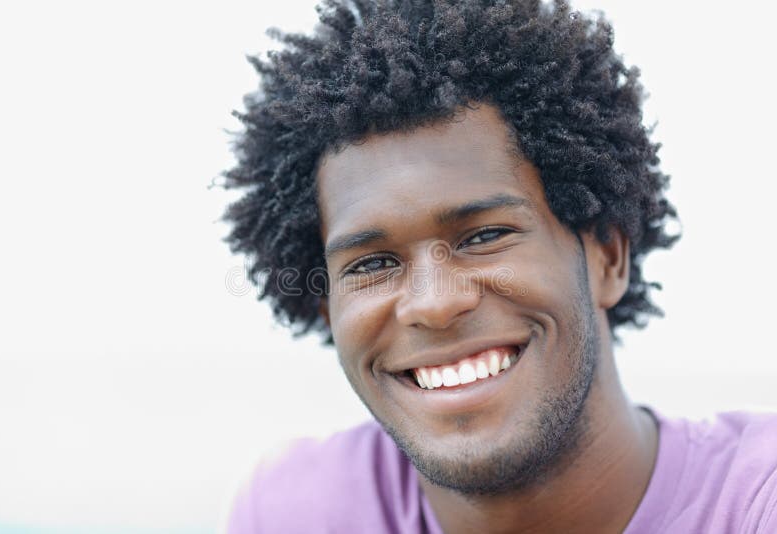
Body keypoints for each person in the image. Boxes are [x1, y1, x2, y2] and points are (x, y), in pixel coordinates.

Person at [221, 1, 777, 532]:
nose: (435, 304)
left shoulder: (756, 504)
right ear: (327, 306)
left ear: (608, 255)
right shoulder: (295, 512)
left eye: (484, 235)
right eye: (372, 264)